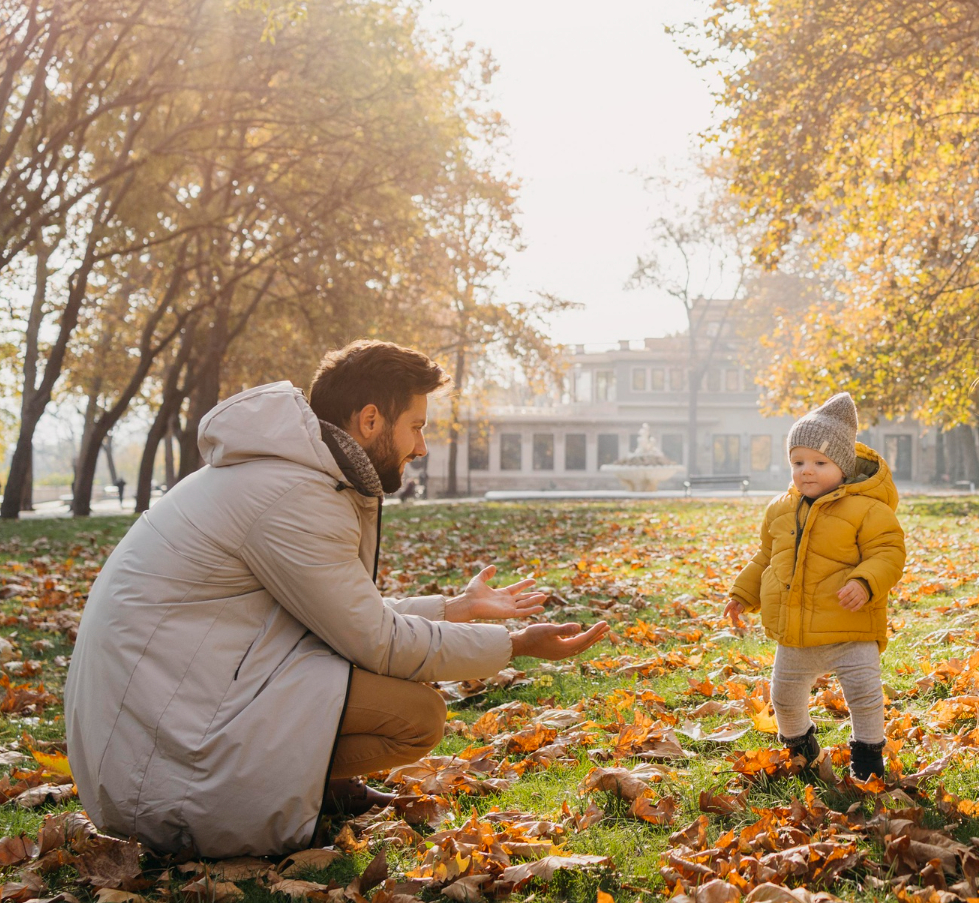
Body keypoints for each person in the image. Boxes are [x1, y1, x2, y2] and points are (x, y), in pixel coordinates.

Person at [65, 340, 608, 857]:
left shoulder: (288, 476)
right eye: (415, 427)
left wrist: (455, 609)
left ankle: (321, 791)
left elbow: (343, 615)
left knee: (385, 683)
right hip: (160, 766)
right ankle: (279, 797)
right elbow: (375, 641)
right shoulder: (293, 495)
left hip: (178, 711)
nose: (421, 447)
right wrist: (512, 646)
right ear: (369, 420)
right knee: (418, 714)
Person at [725, 393, 906, 780]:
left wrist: (865, 581)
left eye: (820, 462)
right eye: (798, 462)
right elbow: (765, 557)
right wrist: (743, 593)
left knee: (864, 696)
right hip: (795, 632)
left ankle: (868, 761)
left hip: (850, 627)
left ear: (843, 465)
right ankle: (801, 750)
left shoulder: (868, 509)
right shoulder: (779, 509)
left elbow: (888, 553)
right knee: (784, 698)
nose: (807, 470)